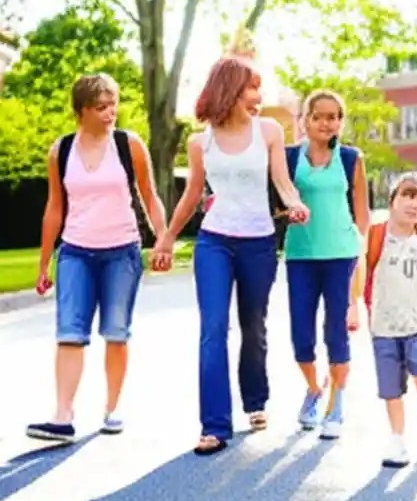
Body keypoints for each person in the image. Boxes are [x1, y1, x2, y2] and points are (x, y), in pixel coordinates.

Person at [152, 50, 309, 456]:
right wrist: (167, 237)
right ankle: (214, 425)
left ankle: (255, 400)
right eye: (250, 88)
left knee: (253, 328)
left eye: (257, 88)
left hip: (258, 241)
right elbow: (192, 195)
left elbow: (282, 181)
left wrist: (294, 203)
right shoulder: (200, 142)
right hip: (214, 241)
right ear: (230, 90)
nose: (257, 95)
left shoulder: (270, 131)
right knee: (213, 328)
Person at [28, 73, 168, 443]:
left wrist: (163, 240)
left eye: (113, 105)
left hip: (121, 253)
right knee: (69, 334)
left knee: (116, 333)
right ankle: (62, 415)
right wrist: (44, 264)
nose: (110, 113)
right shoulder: (61, 151)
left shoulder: (128, 145)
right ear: (81, 111)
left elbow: (150, 196)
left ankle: (112, 407)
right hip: (75, 252)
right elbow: (54, 208)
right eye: (101, 107)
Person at [283, 90, 370, 440]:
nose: (325, 122)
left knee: (336, 332)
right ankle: (313, 390)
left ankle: (336, 401)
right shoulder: (289, 158)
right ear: (304, 120)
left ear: (340, 121)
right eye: (318, 116)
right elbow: (276, 204)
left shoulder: (351, 158)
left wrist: (357, 260)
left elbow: (361, 213)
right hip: (300, 255)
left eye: (333, 116)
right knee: (301, 336)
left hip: (340, 255)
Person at [360, 172, 417, 468]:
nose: (414, 204)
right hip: (383, 327)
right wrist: (350, 305)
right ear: (393, 199)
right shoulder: (376, 234)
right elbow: (361, 272)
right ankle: (397, 438)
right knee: (391, 388)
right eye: (408, 195)